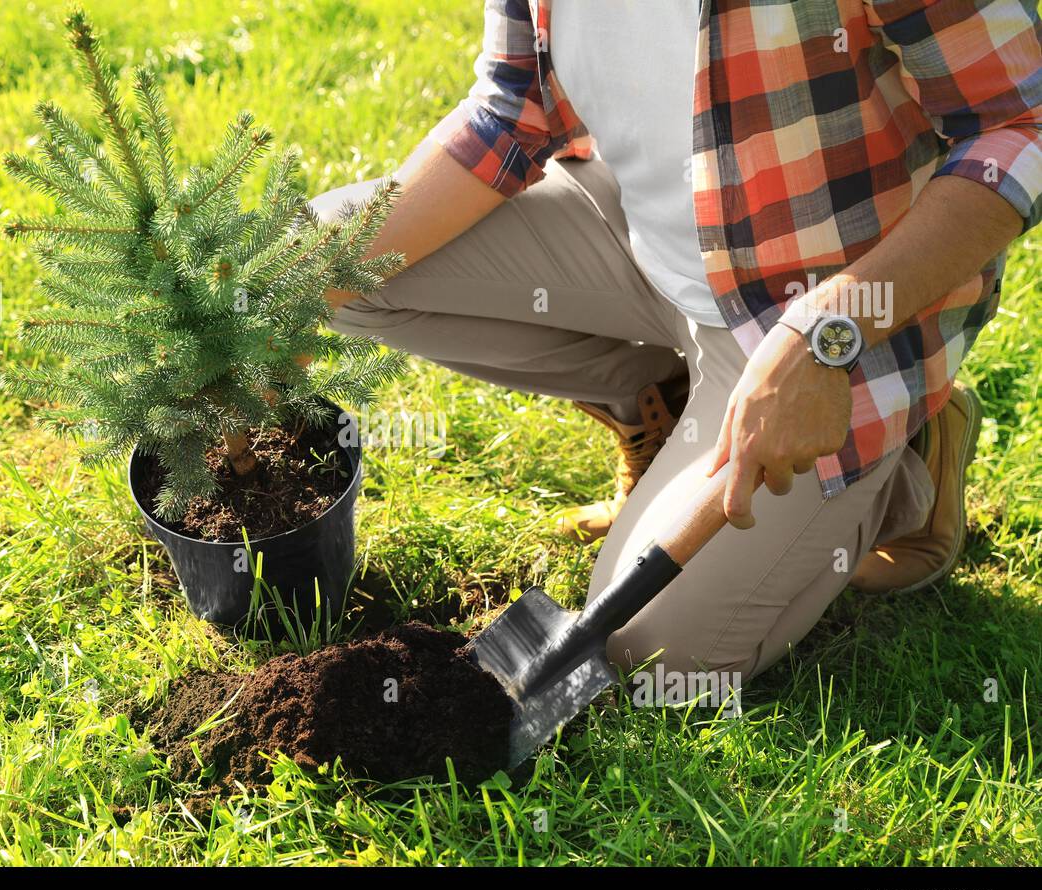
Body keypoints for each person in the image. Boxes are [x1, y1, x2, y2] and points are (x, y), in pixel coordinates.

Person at [313, 0, 1041, 683]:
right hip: (639, 240)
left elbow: (1022, 126)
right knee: (309, 262)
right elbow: (511, 108)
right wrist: (284, 301)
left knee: (656, 655)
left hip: (836, 313)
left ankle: (906, 463)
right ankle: (672, 401)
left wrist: (830, 331)